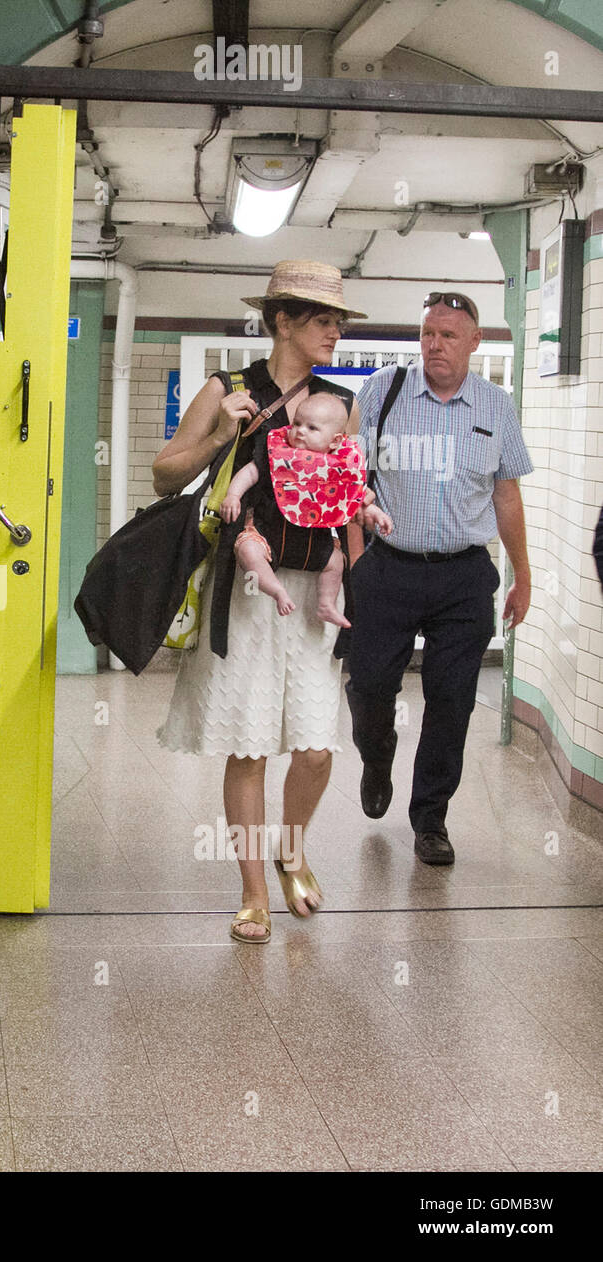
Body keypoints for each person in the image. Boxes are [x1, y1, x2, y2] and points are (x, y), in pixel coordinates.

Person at [153, 260, 365, 943]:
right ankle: (252, 893)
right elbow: (165, 473)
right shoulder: (229, 387)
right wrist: (221, 434)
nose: (335, 331)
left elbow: (351, 496)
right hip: (244, 585)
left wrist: (363, 582)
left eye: (337, 320)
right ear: (282, 322)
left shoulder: (340, 401)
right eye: (324, 320)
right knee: (247, 747)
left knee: (316, 747)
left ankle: (292, 847)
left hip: (314, 589)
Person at [345, 291, 533, 866]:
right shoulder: (383, 390)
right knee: (369, 685)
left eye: (449, 335)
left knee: (451, 701)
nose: (435, 345)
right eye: (428, 333)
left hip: (463, 576)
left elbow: (506, 493)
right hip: (387, 566)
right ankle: (377, 757)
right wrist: (356, 562)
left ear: (475, 342)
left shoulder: (496, 407)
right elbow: (349, 478)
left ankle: (431, 818)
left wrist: (522, 575)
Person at [221, 390, 393, 626]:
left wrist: (375, 512)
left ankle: (326, 605)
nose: (300, 430)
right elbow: (251, 471)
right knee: (248, 551)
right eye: (297, 423)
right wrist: (233, 495)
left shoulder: (339, 466)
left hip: (313, 543)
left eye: (312, 428)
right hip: (267, 533)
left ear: (334, 441)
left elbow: (354, 496)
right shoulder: (277, 452)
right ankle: (276, 590)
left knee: (336, 562)